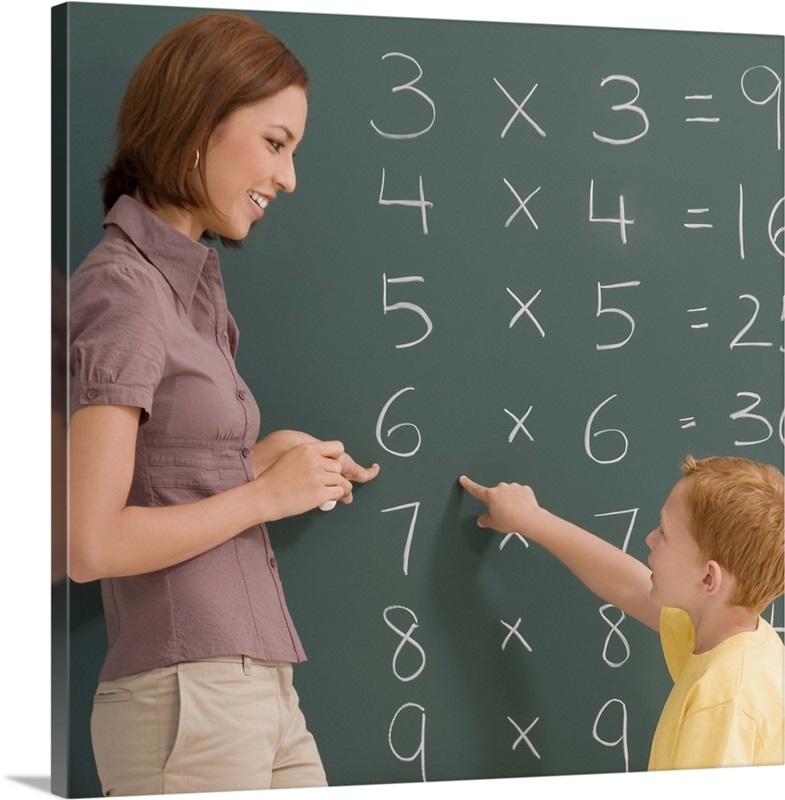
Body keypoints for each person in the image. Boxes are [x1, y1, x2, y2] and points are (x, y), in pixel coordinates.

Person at [68, 12, 380, 795]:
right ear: (198, 122)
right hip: (188, 697)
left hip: (250, 686)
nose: (289, 178)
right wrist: (262, 495)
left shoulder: (187, 290)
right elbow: (92, 543)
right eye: (276, 144)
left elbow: (157, 471)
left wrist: (255, 460)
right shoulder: (125, 290)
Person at [459, 455, 784, 770]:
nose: (649, 538)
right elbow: (630, 586)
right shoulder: (733, 632)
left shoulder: (724, 702)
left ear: (708, 578)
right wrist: (530, 517)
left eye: (664, 534)